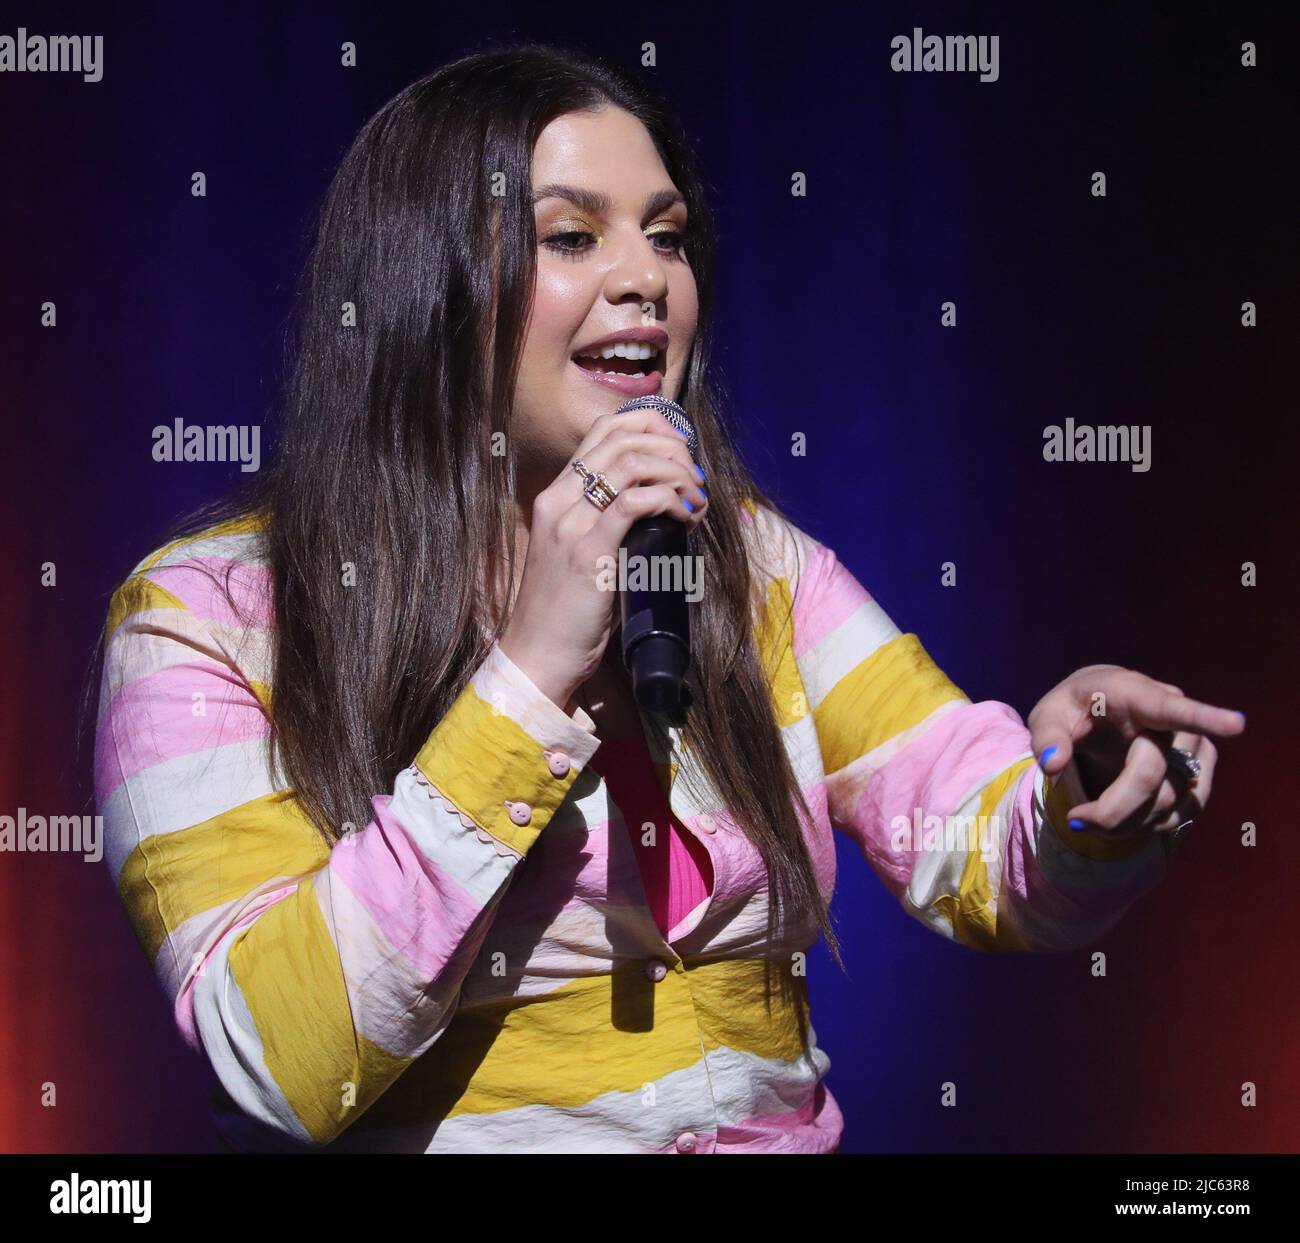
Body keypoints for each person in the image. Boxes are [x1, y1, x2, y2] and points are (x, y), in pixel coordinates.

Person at [91, 43, 1245, 1154]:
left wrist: (1084, 791)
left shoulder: (751, 562)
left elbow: (978, 844)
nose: (644, 277)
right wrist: (527, 674)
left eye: (667, 237)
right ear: (421, 284)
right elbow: (279, 1060)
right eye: (572, 234)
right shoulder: (211, 619)